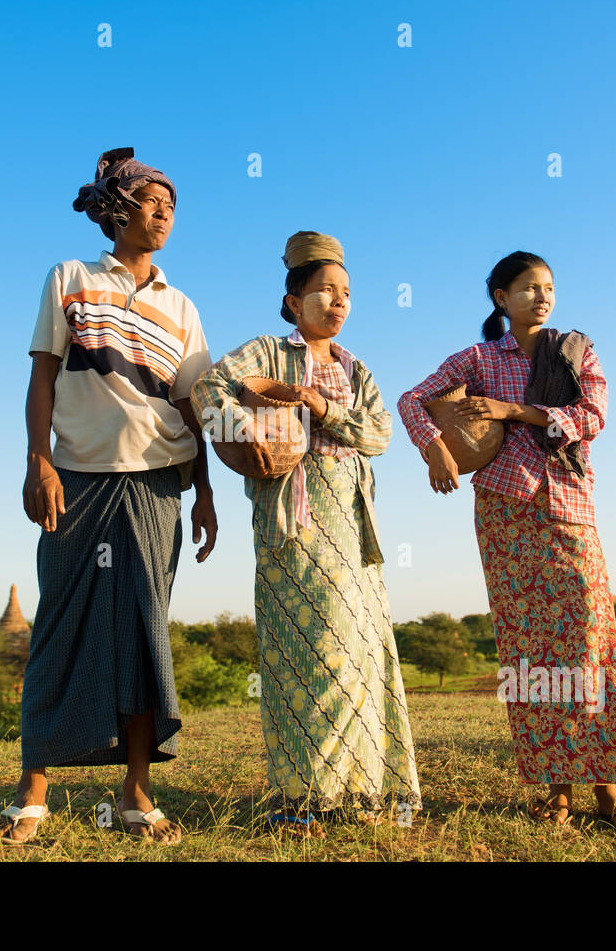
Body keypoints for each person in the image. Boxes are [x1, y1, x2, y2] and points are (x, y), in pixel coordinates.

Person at [0, 148, 217, 845]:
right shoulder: (71, 278)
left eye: (172, 207)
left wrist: (205, 488)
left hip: (157, 483)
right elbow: (41, 378)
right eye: (152, 202)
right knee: (59, 622)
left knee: (145, 631)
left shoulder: (182, 307)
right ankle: (33, 792)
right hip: (79, 479)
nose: (164, 215)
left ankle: (138, 793)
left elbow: (197, 405)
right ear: (118, 209)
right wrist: (39, 460)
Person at [396, 250, 616, 838]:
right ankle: (555, 790)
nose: (542, 297)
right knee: (530, 651)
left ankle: (608, 790)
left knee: (590, 641)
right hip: (505, 511)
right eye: (528, 288)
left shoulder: (577, 351)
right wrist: (434, 448)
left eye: (549, 287)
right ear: (500, 298)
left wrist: (515, 410)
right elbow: (413, 399)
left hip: (568, 506)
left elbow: (593, 416)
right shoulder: (479, 357)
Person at [191, 231, 422, 838]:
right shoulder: (267, 352)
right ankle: (301, 797)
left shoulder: (354, 366)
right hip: (292, 519)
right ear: (293, 300)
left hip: (354, 522)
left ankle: (363, 788)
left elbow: (380, 435)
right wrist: (250, 436)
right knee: (308, 652)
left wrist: (323, 411)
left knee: (362, 653)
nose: (337, 302)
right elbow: (205, 391)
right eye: (323, 291)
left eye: (345, 293)